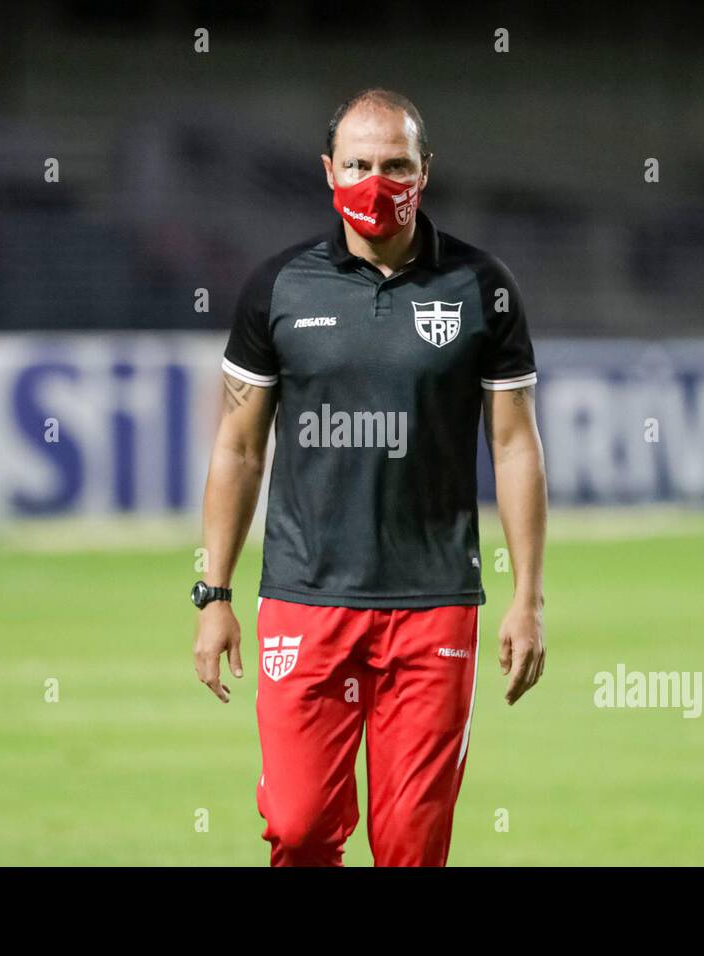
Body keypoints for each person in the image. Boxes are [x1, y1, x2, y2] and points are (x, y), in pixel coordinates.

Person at [191, 88, 547, 866]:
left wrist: (527, 596)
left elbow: (515, 446)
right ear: (328, 170)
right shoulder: (278, 288)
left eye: (395, 166)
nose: (375, 183)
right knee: (296, 826)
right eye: (357, 165)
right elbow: (239, 448)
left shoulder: (482, 289)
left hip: (434, 606)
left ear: (426, 173)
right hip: (304, 599)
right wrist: (214, 592)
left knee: (412, 848)